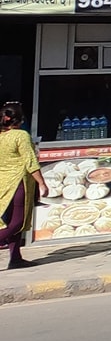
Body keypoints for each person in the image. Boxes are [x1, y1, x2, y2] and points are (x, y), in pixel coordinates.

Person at [1, 102, 47, 270]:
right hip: (18, 183)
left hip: (3, 184)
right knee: (17, 222)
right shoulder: (21, 135)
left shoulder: (1, 135)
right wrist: (42, 183)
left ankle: (16, 258)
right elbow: (30, 161)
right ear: (19, 121)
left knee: (10, 221)